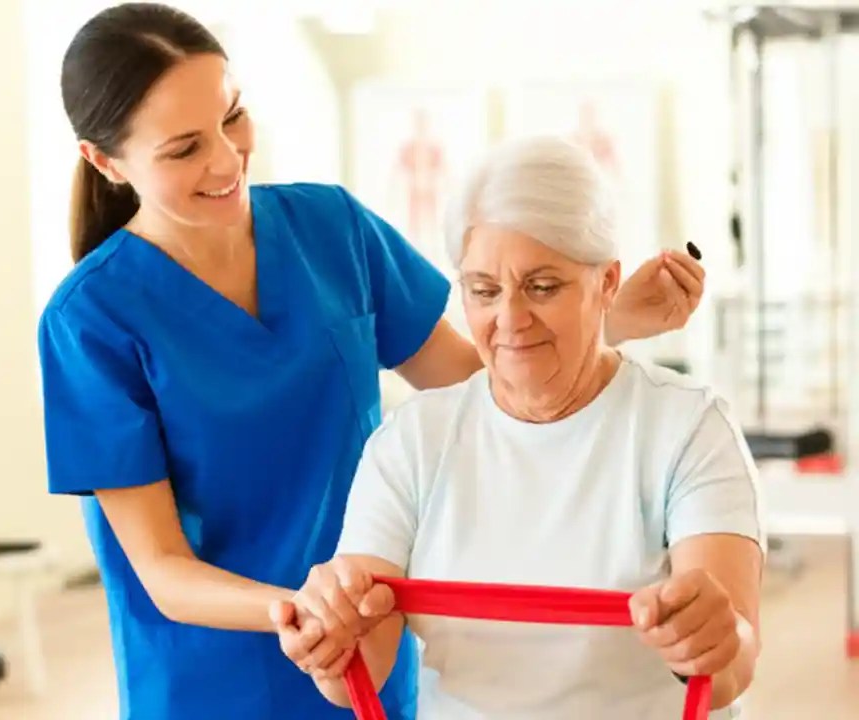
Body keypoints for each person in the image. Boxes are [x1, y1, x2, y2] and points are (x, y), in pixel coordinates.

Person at [38, 3, 708, 718]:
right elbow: (163, 570)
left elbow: (473, 382)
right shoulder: (90, 321)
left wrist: (608, 317)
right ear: (104, 160)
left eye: (234, 117)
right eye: (184, 148)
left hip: (367, 652)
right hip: (212, 677)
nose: (228, 159)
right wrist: (310, 610)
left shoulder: (331, 229)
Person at [278, 136, 762, 719]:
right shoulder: (411, 443)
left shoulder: (688, 427)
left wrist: (711, 637)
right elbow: (361, 663)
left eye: (542, 287)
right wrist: (329, 636)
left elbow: (732, 663)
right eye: (483, 291)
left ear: (607, 282)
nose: (509, 319)